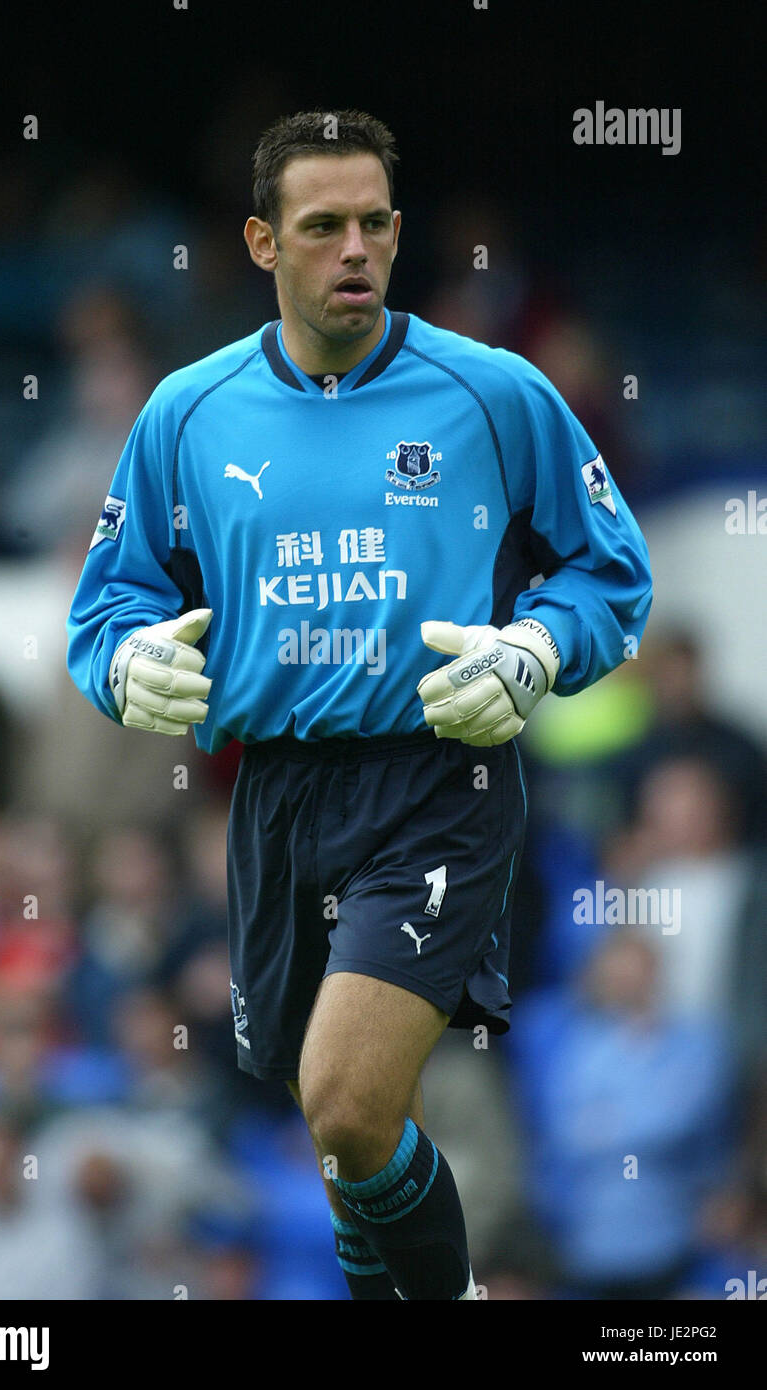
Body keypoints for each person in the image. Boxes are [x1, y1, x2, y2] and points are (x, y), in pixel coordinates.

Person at [66, 109, 652, 1300]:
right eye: (321, 226)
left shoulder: (491, 392)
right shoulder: (186, 411)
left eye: (373, 224)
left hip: (438, 778)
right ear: (259, 242)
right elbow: (105, 605)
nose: (353, 250)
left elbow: (610, 571)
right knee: (347, 1148)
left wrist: (534, 650)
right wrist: (126, 666)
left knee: (342, 1096)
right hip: (277, 793)